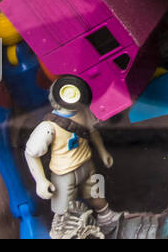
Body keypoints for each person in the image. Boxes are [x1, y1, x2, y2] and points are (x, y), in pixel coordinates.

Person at [24, 78, 118, 238]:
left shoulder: (83, 112)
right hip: (64, 173)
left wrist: (103, 152)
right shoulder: (48, 127)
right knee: (63, 210)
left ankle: (106, 217)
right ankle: (65, 235)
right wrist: (40, 180)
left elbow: (93, 132)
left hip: (87, 164)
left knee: (96, 192)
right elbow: (31, 153)